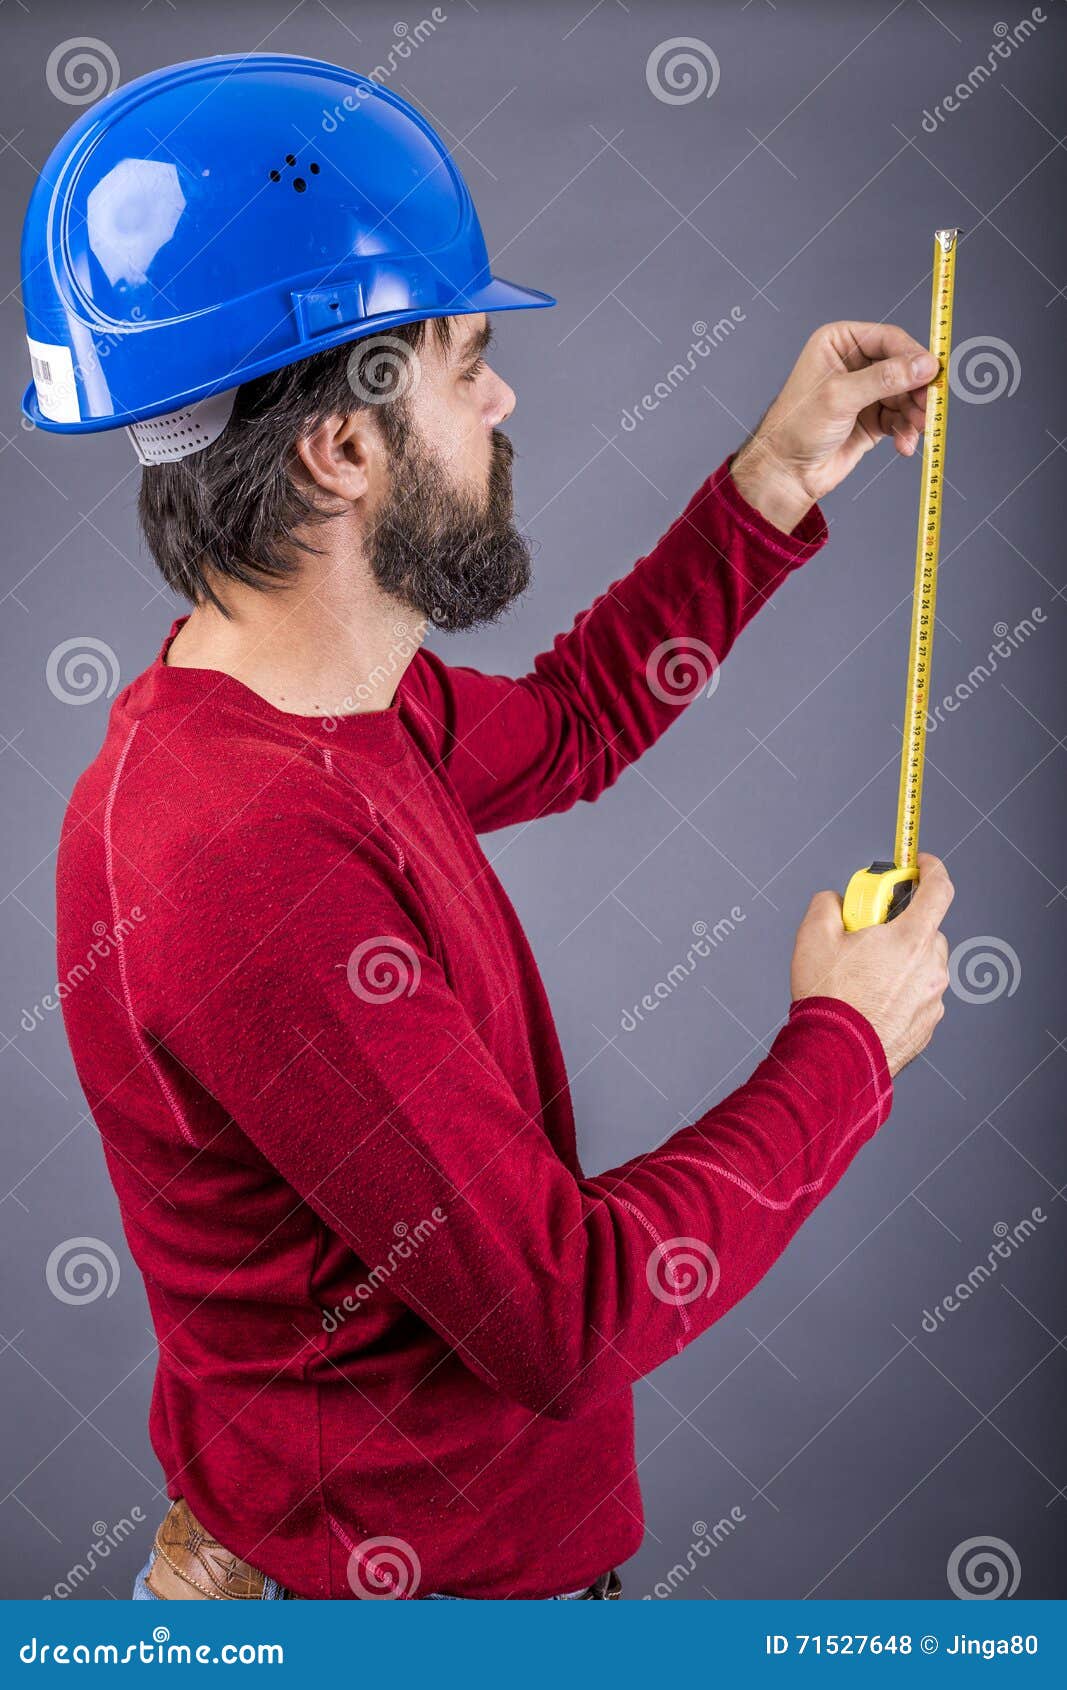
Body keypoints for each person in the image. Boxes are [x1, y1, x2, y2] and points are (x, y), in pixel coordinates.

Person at [25, 56, 952, 1601]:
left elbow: (581, 723)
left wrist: (772, 482)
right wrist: (841, 1050)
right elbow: (563, 1314)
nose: (505, 392)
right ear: (342, 448)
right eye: (463, 361)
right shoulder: (243, 855)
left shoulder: (330, 709)